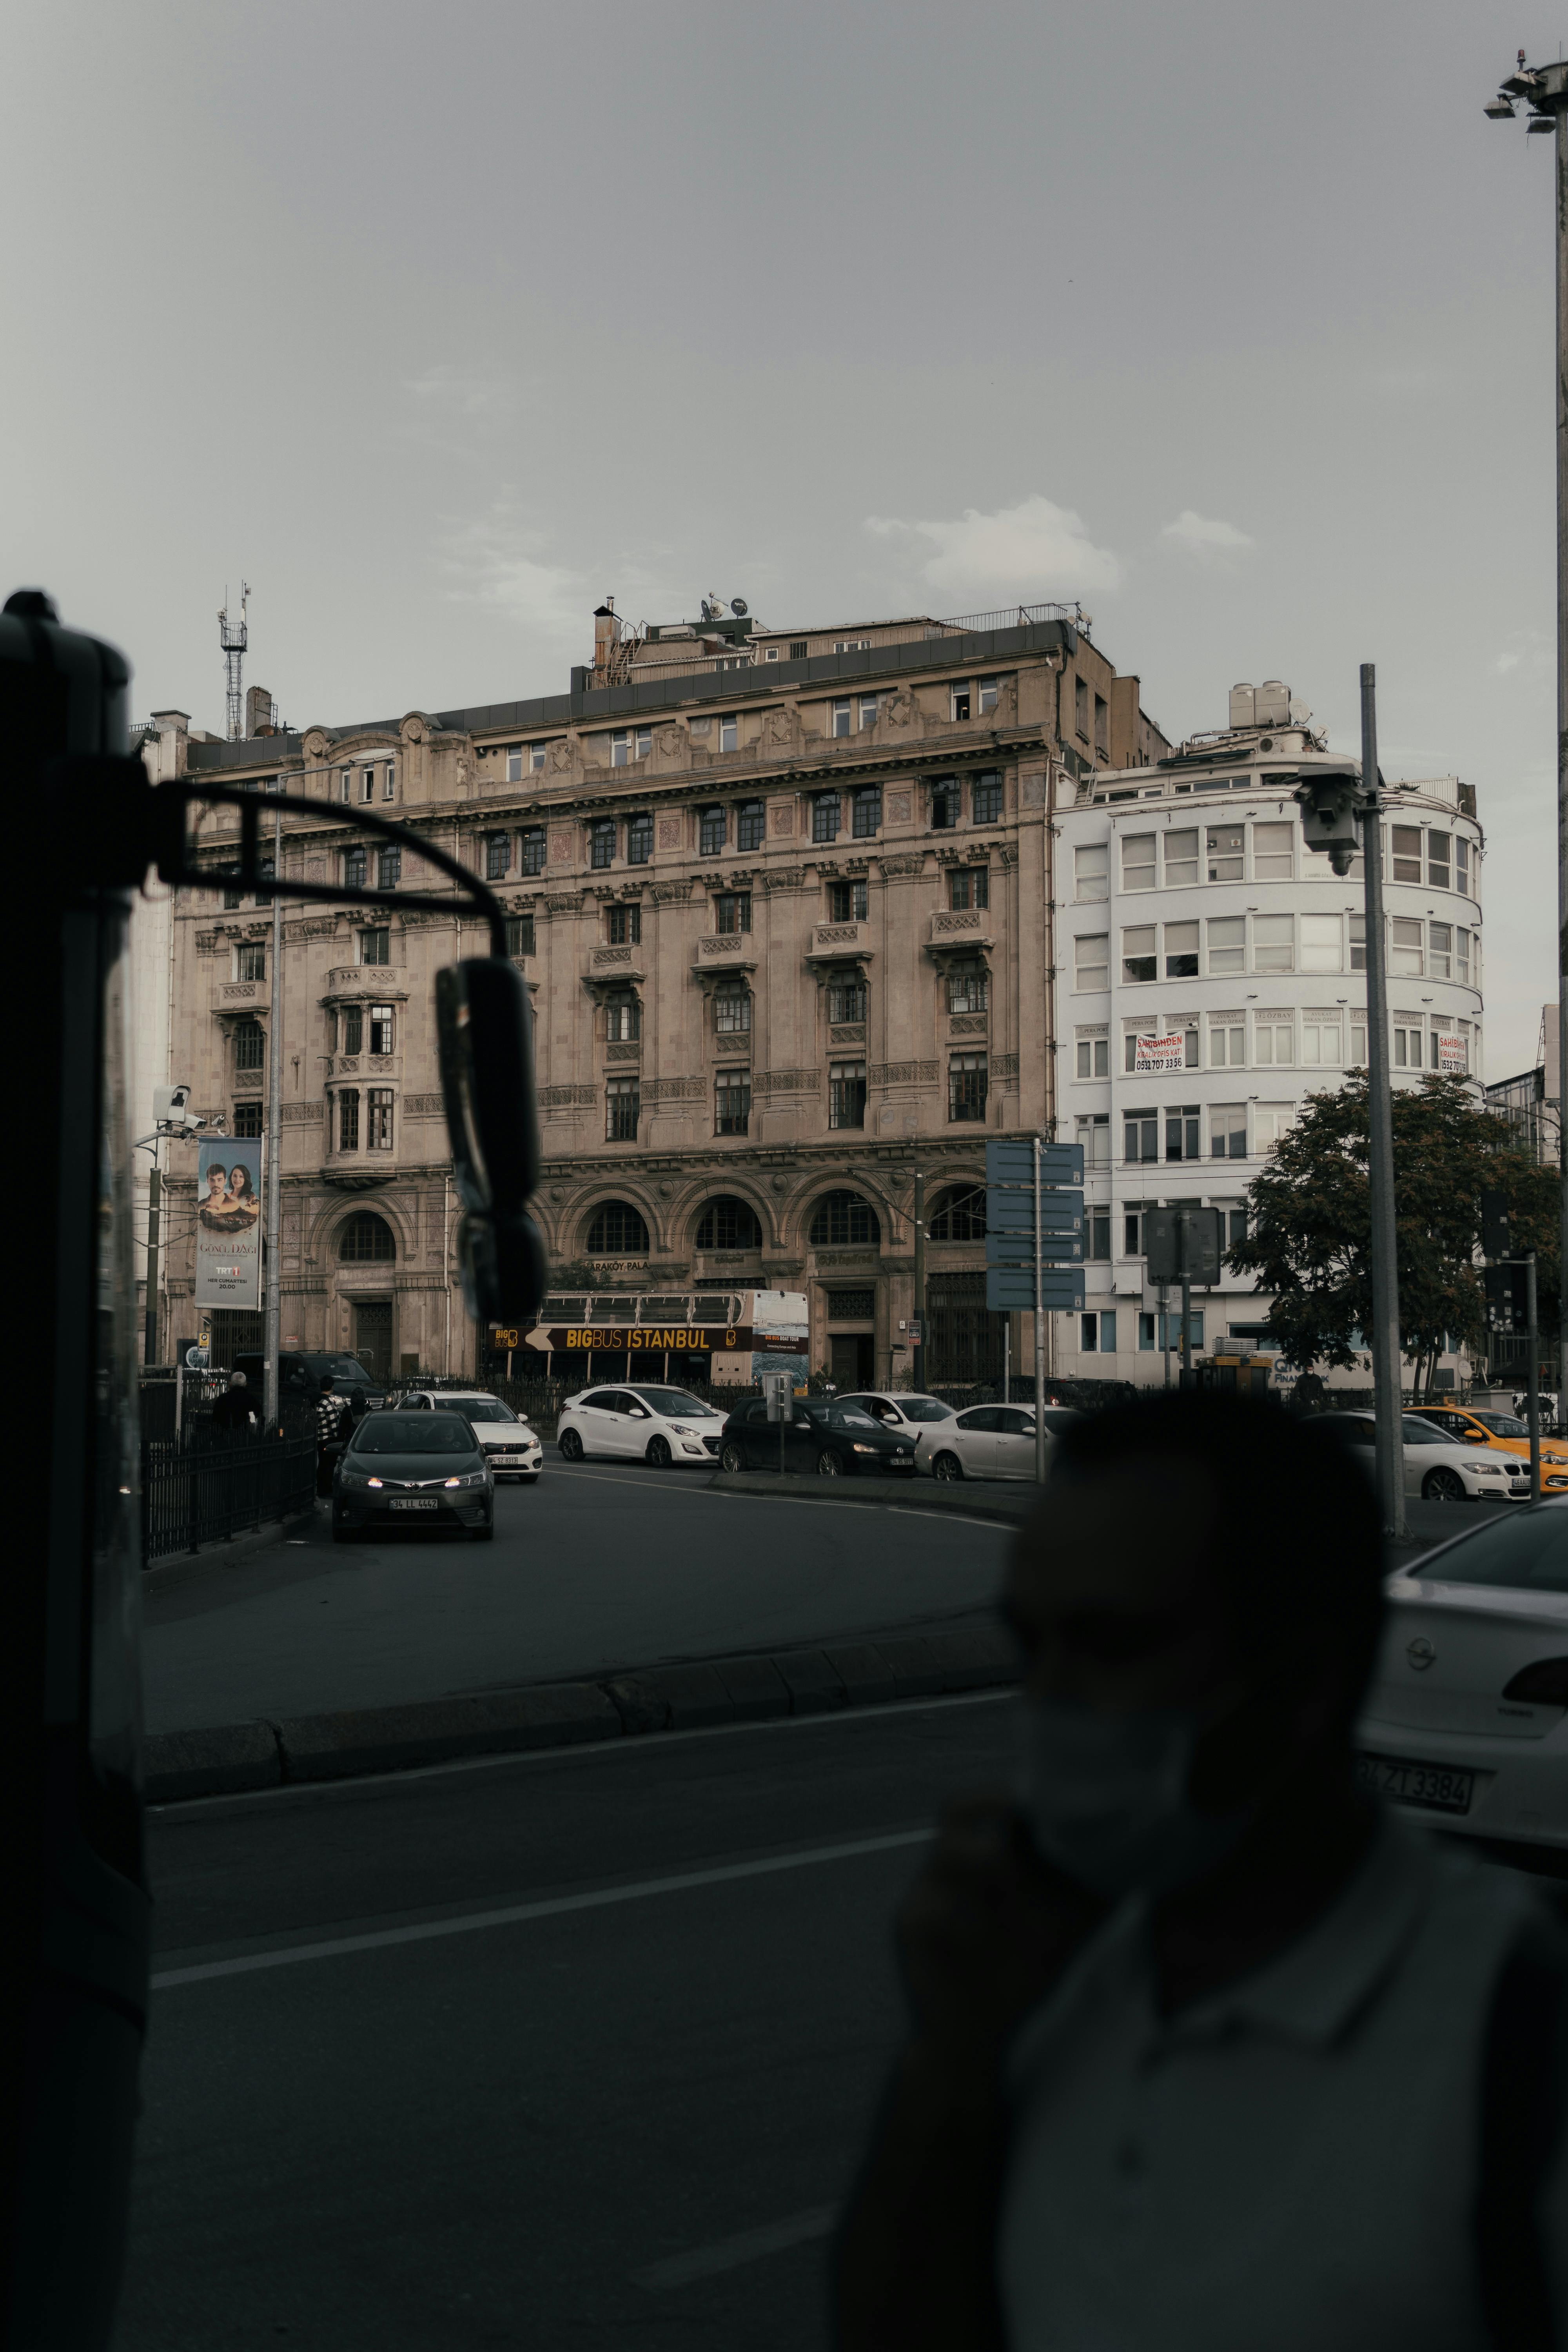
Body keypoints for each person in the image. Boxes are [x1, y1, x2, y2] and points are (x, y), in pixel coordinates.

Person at [832, 1390, 1568, 2352]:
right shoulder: (1045, 1976)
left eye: (1110, 1645)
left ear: (1296, 1681)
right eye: (1031, 1644)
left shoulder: (1511, 2033)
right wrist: (946, 2066)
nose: (1049, 1699)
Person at [210, 1368, 257, 1437]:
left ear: (230, 1384)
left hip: (224, 1436)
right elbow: (257, 1417)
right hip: (244, 1437)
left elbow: (215, 1419)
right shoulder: (252, 1399)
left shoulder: (222, 1399)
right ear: (245, 1384)